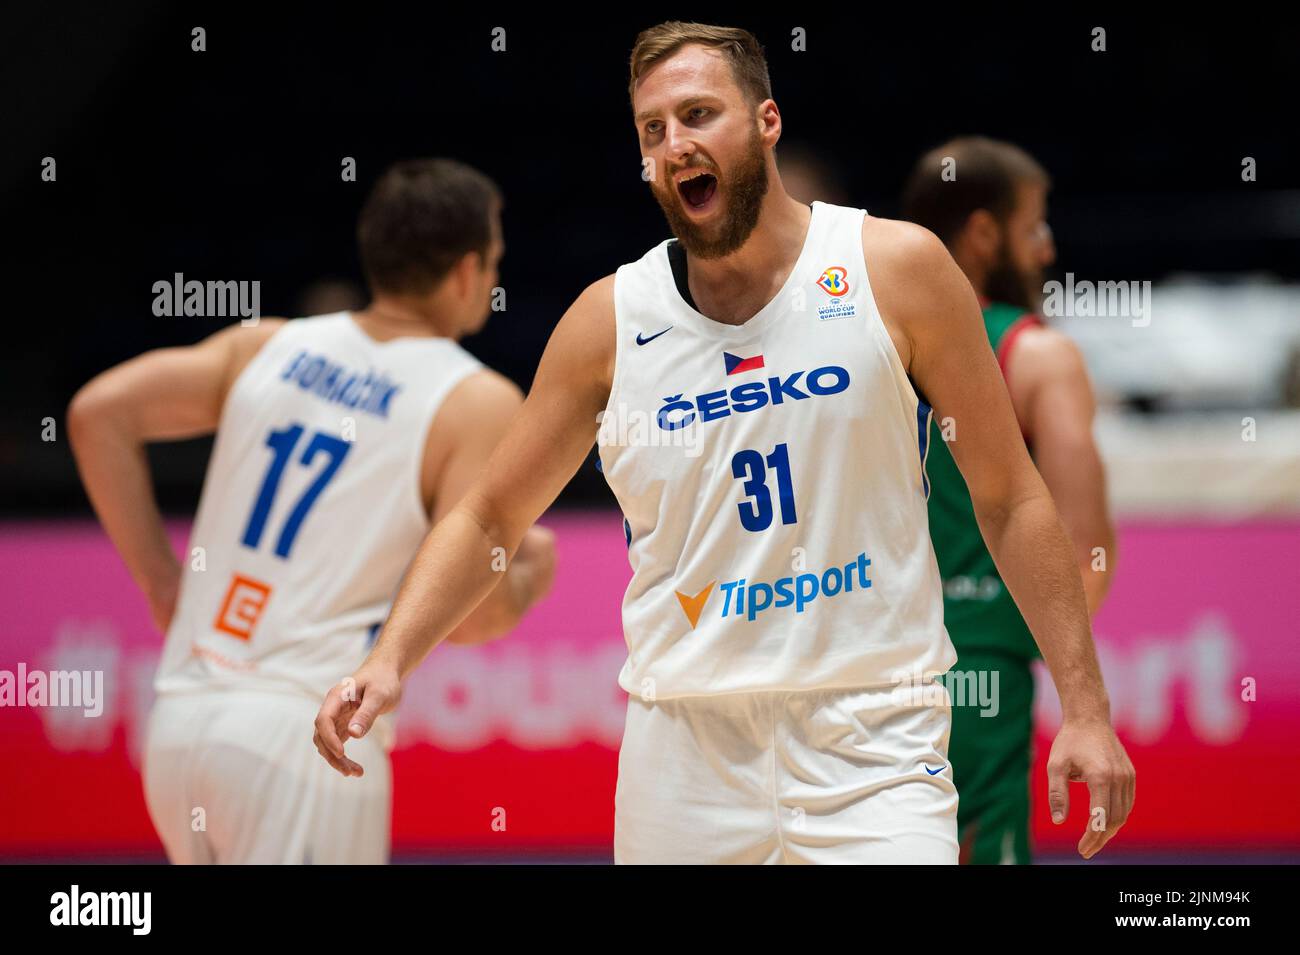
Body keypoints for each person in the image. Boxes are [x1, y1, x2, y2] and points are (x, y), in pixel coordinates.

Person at [314, 23, 1134, 864]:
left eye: (699, 114)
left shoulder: (897, 268)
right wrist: (390, 658)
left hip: (875, 740)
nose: (675, 145)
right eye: (652, 130)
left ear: (767, 121)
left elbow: (1011, 497)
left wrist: (1085, 705)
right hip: (684, 754)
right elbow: (490, 518)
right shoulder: (611, 319)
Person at [68, 158, 556, 863]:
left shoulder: (267, 344)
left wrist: (161, 582)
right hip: (305, 734)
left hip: (181, 719)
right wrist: (530, 572)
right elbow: (471, 615)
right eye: (495, 263)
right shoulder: (472, 398)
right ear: (465, 271)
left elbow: (94, 416)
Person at [902, 136, 1116, 863]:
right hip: (981, 664)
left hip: (858, 663)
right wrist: (1056, 667)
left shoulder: (853, 346)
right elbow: (1090, 548)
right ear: (984, 233)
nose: (1047, 249)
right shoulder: (1036, 355)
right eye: (1033, 227)